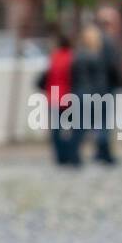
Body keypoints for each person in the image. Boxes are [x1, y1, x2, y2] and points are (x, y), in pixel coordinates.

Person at [72, 24, 116, 164]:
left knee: (81, 126)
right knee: (102, 125)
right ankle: (104, 153)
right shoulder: (99, 56)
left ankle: (74, 154)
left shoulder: (78, 55)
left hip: (82, 93)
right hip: (99, 93)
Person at [40, 32, 76, 165]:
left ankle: (59, 156)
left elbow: (47, 76)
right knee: (70, 128)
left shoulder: (53, 58)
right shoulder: (71, 58)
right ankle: (69, 153)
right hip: (68, 96)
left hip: (53, 96)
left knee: (56, 129)